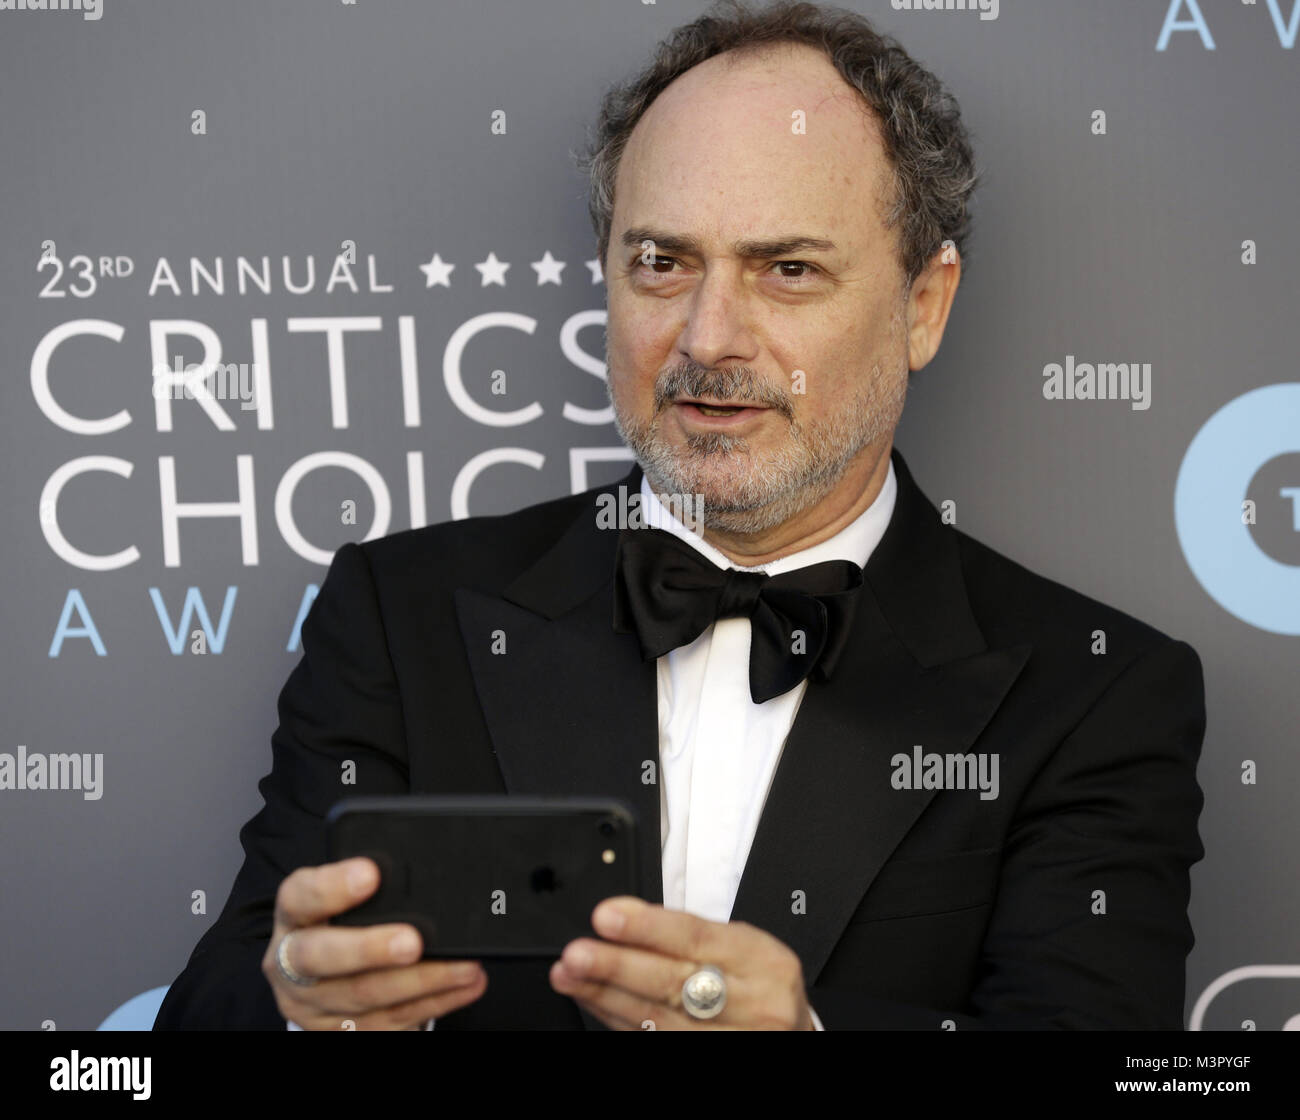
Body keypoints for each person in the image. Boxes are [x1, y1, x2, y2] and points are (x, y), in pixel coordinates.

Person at [155, 0, 1205, 1031]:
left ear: (921, 306)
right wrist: (302, 1008)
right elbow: (214, 1011)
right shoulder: (400, 615)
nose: (709, 338)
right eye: (661, 262)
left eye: (786, 270)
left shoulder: (1094, 691)